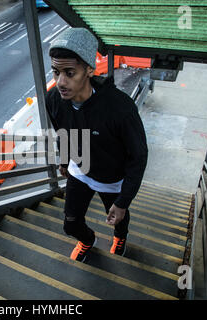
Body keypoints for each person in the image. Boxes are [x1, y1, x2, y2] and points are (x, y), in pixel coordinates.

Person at [44, 27, 148, 262]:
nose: (61, 82)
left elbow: (138, 156)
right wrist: (63, 159)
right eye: (56, 72)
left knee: (117, 218)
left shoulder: (120, 110)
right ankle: (87, 240)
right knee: (70, 224)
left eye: (70, 73)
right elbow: (63, 132)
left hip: (112, 179)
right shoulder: (54, 99)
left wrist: (123, 202)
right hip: (80, 171)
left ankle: (120, 236)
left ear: (89, 69)